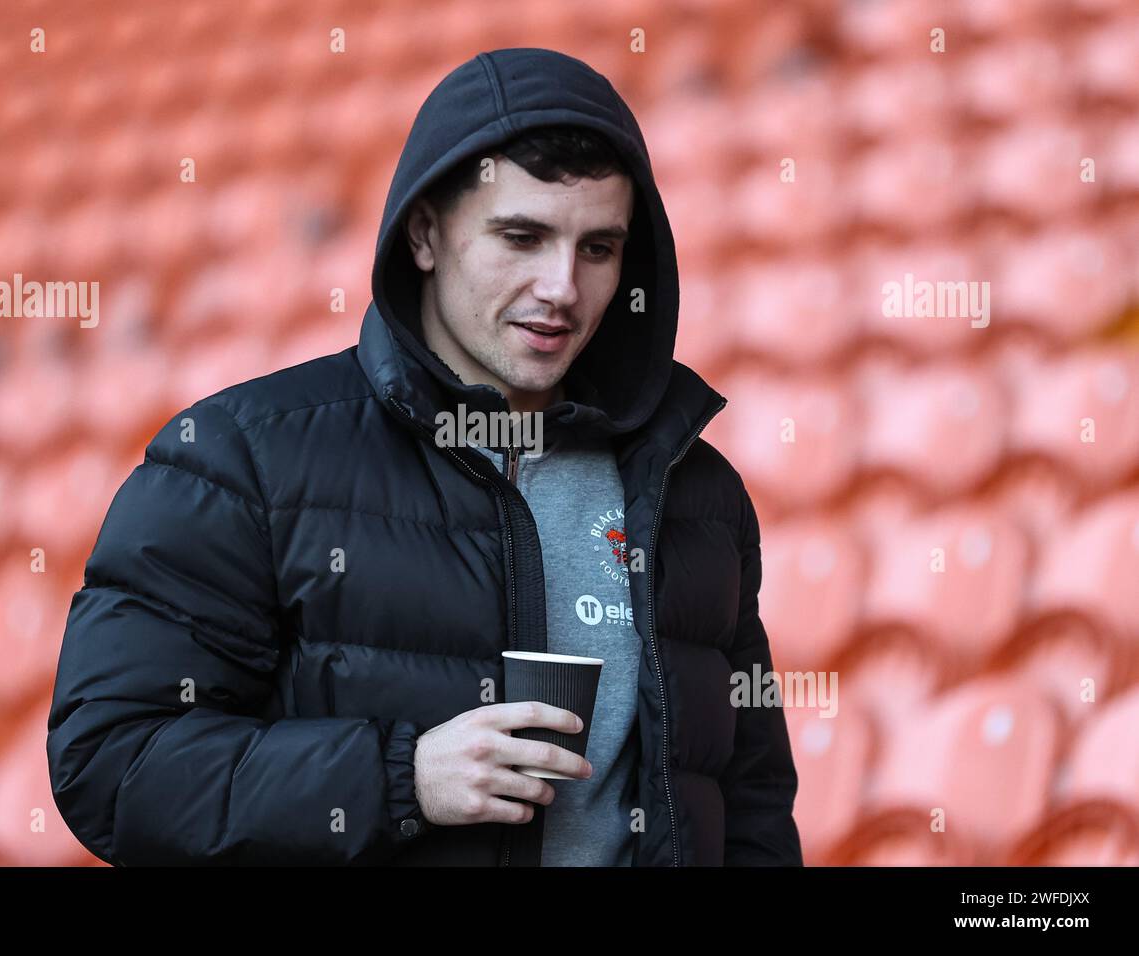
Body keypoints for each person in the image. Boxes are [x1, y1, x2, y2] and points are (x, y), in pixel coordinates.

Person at [47, 46, 802, 867]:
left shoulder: (692, 488)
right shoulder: (241, 462)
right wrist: (401, 777)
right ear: (424, 236)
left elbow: (749, 797)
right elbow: (115, 764)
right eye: (522, 236)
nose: (562, 287)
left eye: (597, 248)